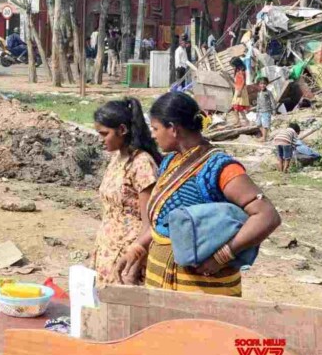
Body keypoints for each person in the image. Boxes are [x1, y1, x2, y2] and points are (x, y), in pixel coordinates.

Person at [114, 93, 281, 296]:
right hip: (161, 279)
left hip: (201, 286)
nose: (153, 135)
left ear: (173, 129)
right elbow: (163, 221)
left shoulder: (219, 168)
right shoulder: (170, 163)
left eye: (156, 128)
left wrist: (222, 255)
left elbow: (267, 216)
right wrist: (138, 248)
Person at [92, 99, 162, 285]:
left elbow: (150, 221)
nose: (101, 139)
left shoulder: (141, 164)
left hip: (128, 254)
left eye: (105, 134)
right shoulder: (117, 158)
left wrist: (135, 262)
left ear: (122, 130)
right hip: (108, 247)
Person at [229, 57, 250, 126]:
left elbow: (243, 82)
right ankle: (244, 121)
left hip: (240, 90)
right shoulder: (237, 70)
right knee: (238, 108)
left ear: (237, 64)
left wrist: (240, 91)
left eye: (233, 65)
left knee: (236, 107)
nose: (232, 67)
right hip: (237, 89)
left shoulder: (241, 71)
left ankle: (239, 122)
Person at [255, 77, 275, 141]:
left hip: (266, 110)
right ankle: (265, 135)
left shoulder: (268, 92)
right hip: (259, 111)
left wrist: (274, 110)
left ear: (267, 84)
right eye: (261, 83)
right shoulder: (258, 93)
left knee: (265, 124)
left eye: (264, 83)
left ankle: (264, 137)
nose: (262, 85)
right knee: (258, 124)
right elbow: (258, 102)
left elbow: (272, 101)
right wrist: (257, 110)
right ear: (258, 84)